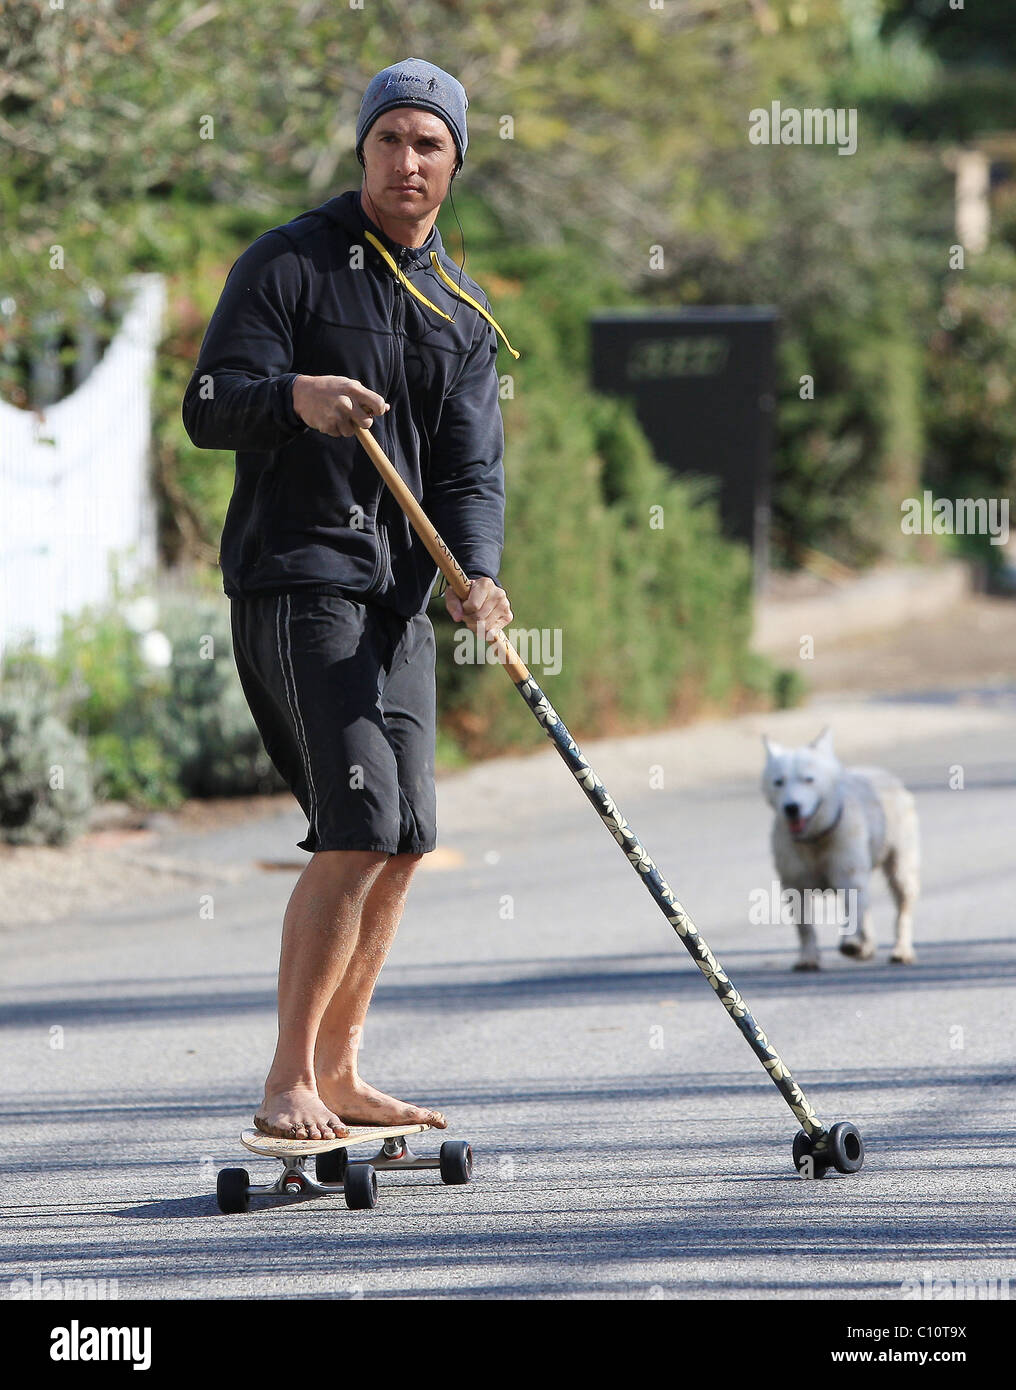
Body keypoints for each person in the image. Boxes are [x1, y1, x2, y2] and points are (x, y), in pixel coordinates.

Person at [182, 58, 517, 1141]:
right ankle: (286, 1079)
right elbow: (208, 404)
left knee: (409, 833)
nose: (406, 161)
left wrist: (476, 574)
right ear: (361, 147)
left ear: (455, 161)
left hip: (397, 601)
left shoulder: (460, 313)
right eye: (389, 140)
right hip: (297, 579)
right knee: (360, 823)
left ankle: (339, 1065)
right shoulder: (289, 265)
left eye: (428, 144)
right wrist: (297, 396)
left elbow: (468, 475)